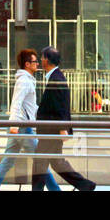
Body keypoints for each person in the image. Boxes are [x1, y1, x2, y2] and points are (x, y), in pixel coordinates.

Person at [30, 46, 96, 191]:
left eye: (42, 58)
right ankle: (85, 185)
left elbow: (61, 105)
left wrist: (62, 129)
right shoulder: (56, 77)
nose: (40, 60)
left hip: (51, 131)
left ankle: (37, 190)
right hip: (52, 130)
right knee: (56, 162)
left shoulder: (57, 78)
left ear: (46, 60)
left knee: (40, 162)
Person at [0, 49, 46, 190]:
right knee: (40, 159)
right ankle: (55, 189)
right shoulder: (24, 81)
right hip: (22, 126)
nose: (37, 63)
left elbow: (30, 106)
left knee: (7, 161)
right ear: (27, 64)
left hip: (19, 125)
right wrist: (14, 125)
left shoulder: (28, 80)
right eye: (34, 61)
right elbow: (16, 103)